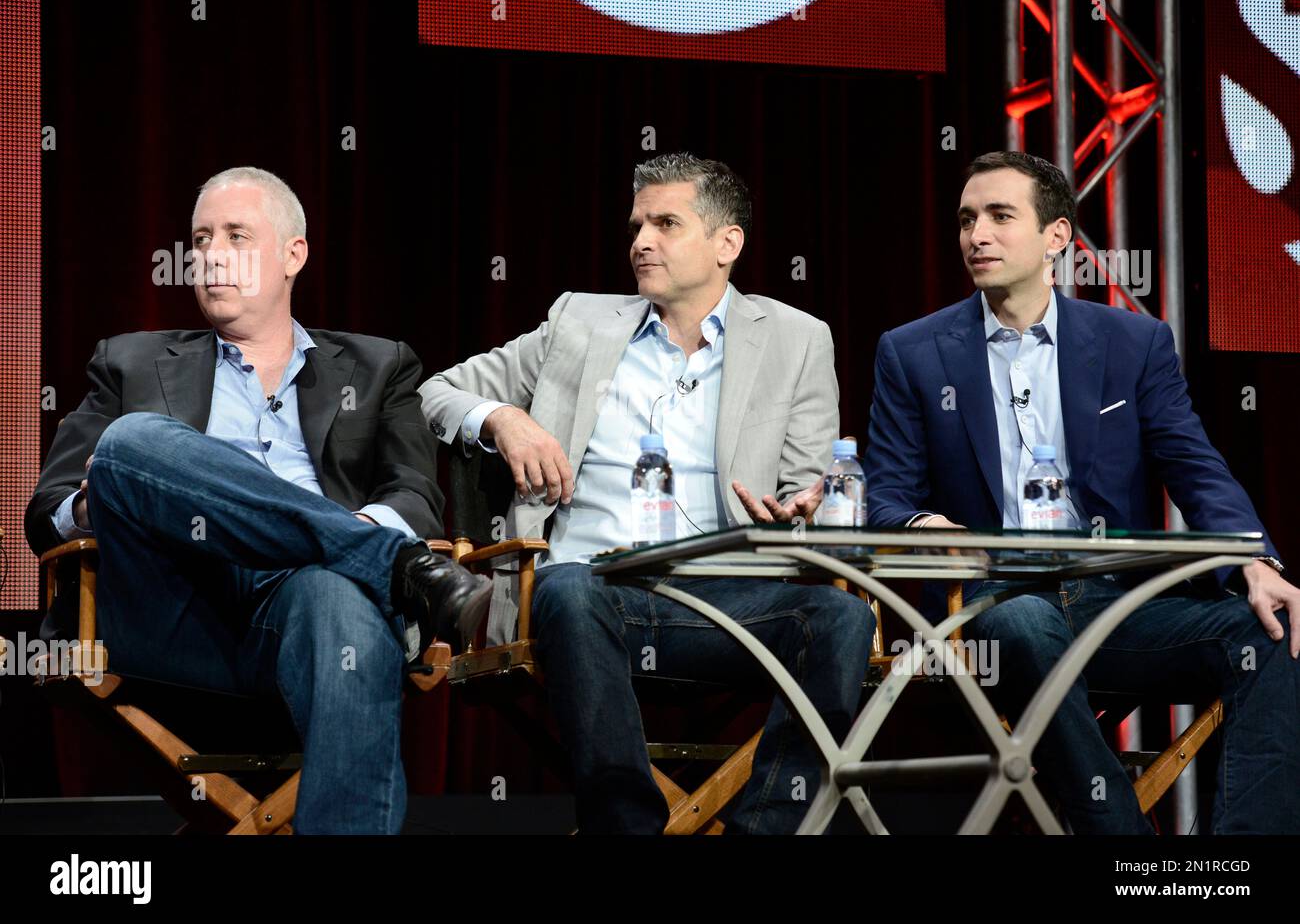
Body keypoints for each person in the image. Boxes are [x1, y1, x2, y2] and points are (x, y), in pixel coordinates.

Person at [25, 166, 492, 834]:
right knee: (133, 442)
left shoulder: (381, 365)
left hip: (307, 604)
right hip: (173, 605)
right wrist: (97, 503)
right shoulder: (128, 361)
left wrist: (354, 534)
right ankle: (392, 562)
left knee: (339, 601)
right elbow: (46, 509)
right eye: (200, 239)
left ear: (293, 254)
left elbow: (415, 493)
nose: (210, 254)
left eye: (236, 236)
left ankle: (361, 555)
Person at [420, 152, 874, 833]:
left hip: (724, 599)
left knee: (843, 620)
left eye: (666, 223)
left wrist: (799, 511)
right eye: (637, 225)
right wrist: (502, 418)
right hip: (590, 594)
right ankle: (625, 826)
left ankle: (770, 825)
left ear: (728, 244)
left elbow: (804, 490)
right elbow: (434, 392)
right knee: (569, 586)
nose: (641, 241)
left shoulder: (796, 339)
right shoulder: (579, 322)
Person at [865, 150, 1299, 833]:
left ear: (1057, 236)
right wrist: (921, 522)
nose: (976, 234)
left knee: (1272, 628)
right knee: (1024, 623)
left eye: (1000, 216)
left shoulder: (1133, 341)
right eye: (966, 219)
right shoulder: (913, 352)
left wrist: (1254, 560)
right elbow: (883, 491)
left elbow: (1195, 465)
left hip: (1115, 604)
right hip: (993, 602)